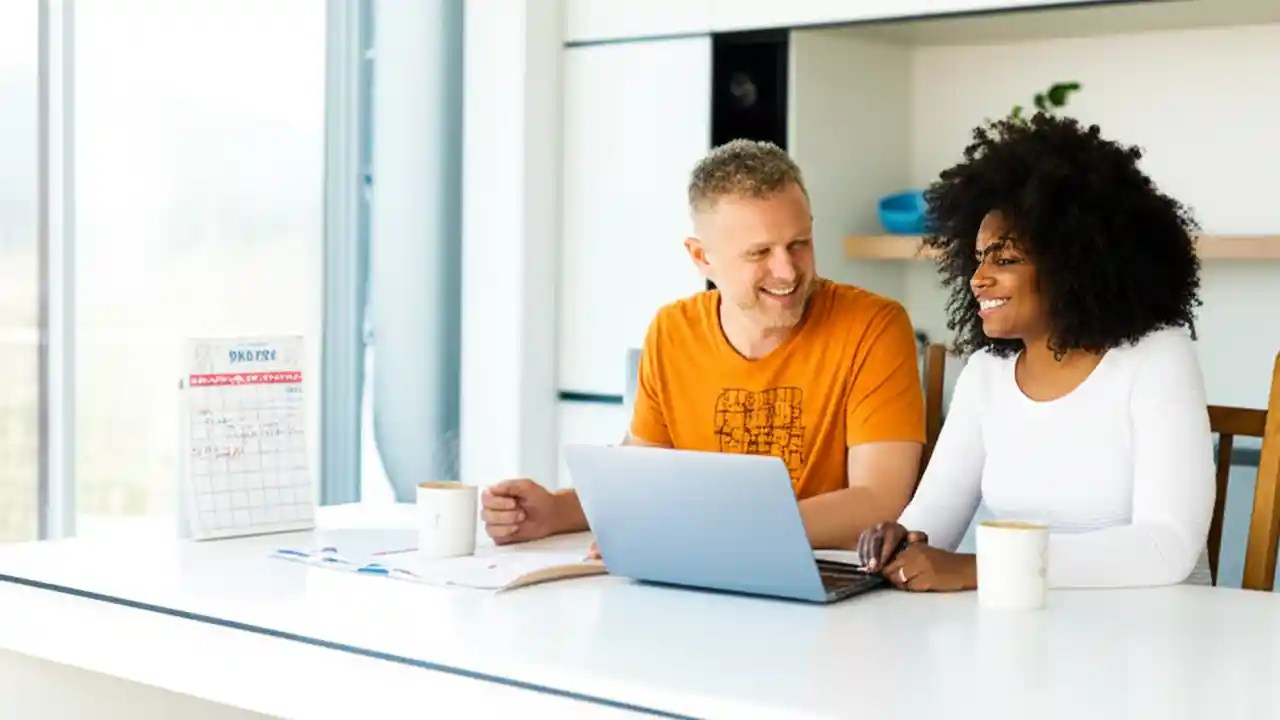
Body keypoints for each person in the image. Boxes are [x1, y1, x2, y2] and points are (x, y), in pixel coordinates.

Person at [482, 139, 927, 550]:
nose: (788, 271)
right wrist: (555, 512)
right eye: (759, 253)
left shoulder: (873, 326)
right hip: (703, 579)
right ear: (701, 258)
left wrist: (712, 533)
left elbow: (880, 500)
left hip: (830, 585)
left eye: (799, 244)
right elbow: (645, 478)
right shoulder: (672, 330)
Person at [858, 113, 1215, 591]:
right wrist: (900, 542)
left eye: (1005, 260)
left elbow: (1165, 547)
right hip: (1030, 630)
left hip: (1153, 640)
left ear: (1075, 266)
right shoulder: (986, 374)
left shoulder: (1156, 358)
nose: (978, 278)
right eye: (979, 256)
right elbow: (931, 525)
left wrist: (979, 569)